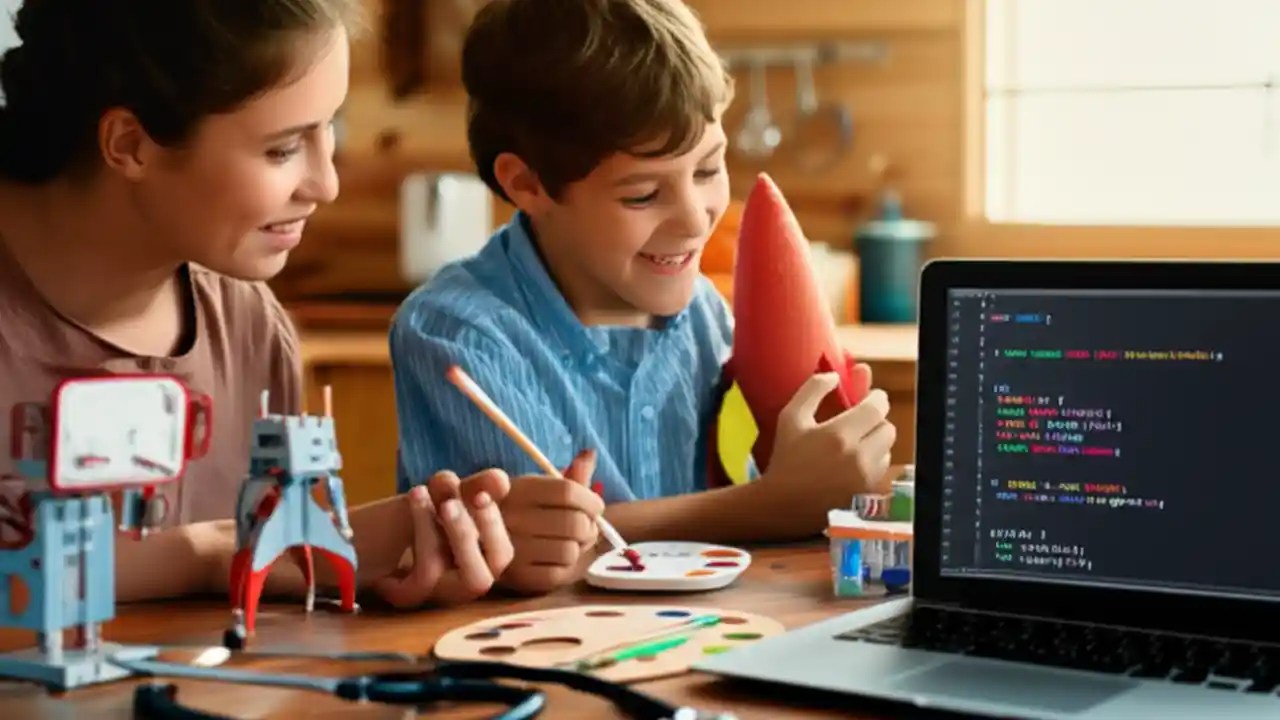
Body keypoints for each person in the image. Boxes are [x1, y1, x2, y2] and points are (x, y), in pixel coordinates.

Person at [0, 0, 512, 608]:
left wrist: (422, 541)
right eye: (282, 149)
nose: (327, 184)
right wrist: (209, 553)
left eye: (332, 131)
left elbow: (262, 578)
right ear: (131, 144)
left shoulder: (251, 326)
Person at [390, 0, 897, 595]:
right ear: (526, 183)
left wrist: (820, 466)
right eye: (642, 195)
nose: (693, 221)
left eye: (708, 171)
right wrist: (771, 503)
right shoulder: (457, 333)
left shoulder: (705, 315)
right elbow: (542, 550)